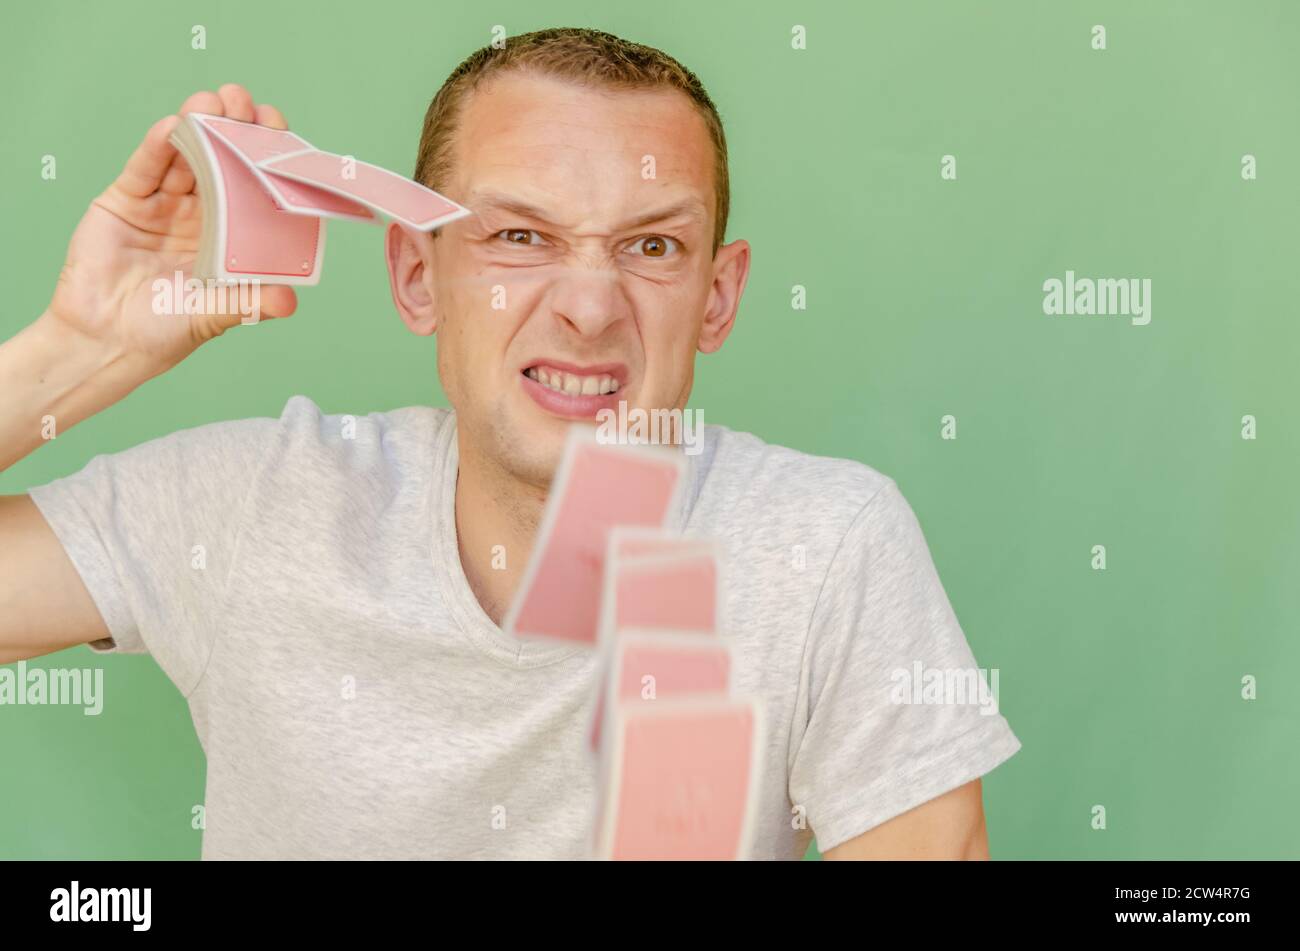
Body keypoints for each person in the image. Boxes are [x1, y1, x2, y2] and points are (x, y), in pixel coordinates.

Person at [0, 27, 1020, 859]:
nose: (588, 306)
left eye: (651, 245)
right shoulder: (259, 505)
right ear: (414, 276)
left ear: (718, 297)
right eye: (518, 238)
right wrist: (79, 352)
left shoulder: (825, 544)